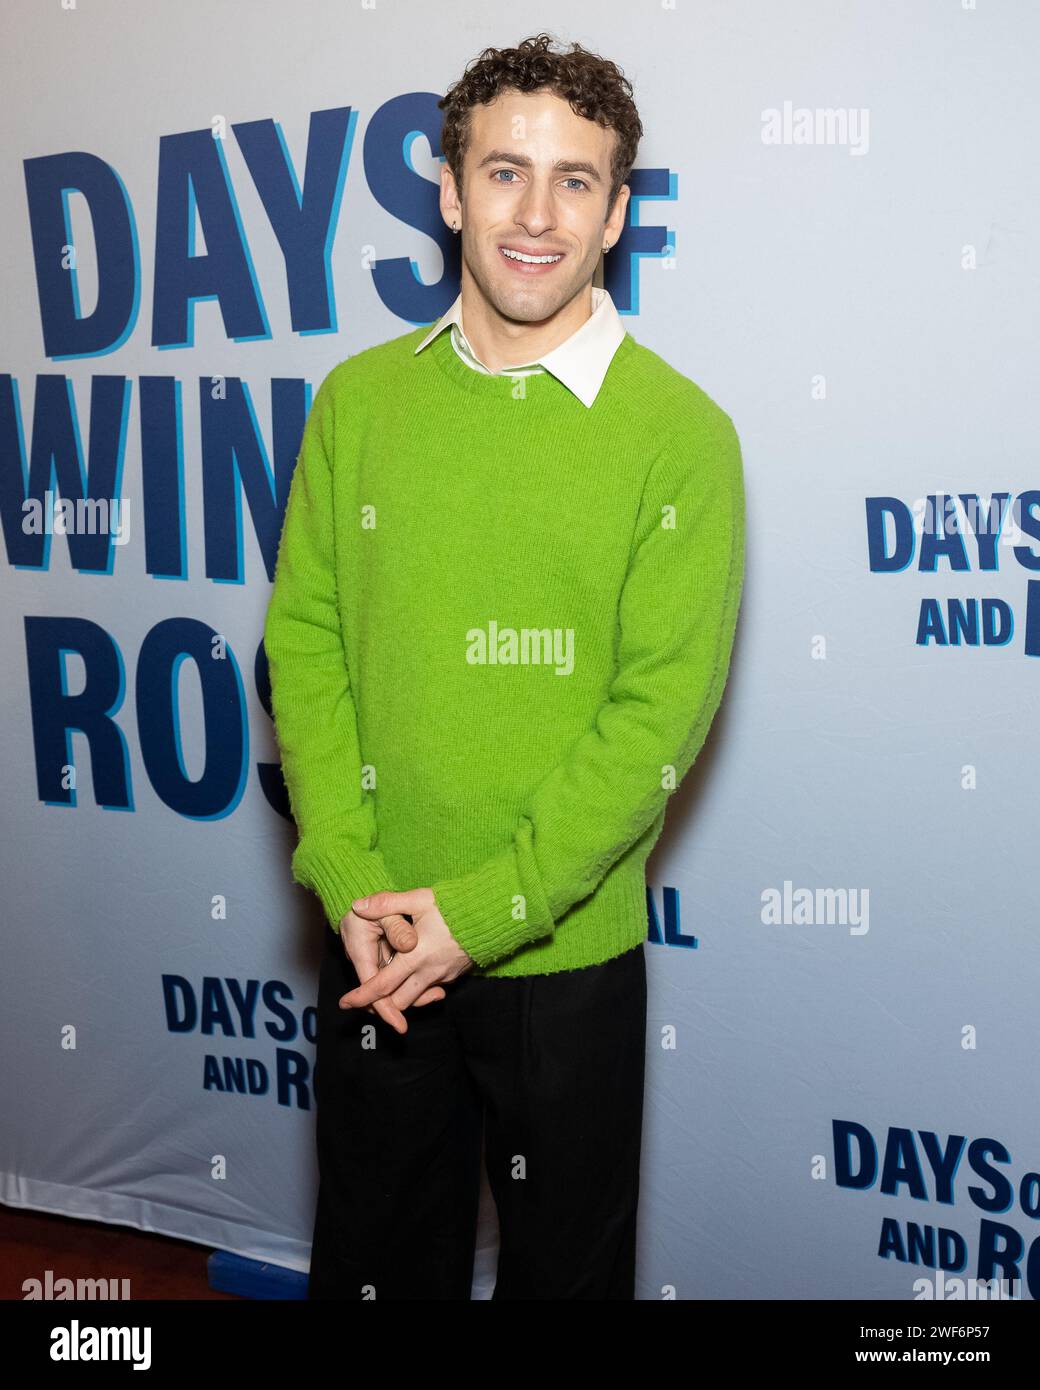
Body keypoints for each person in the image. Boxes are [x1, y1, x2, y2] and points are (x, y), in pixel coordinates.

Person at [263, 31, 746, 1300]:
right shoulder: (358, 404)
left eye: (574, 181)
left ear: (617, 212)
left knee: (564, 1283)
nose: (535, 215)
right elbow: (304, 642)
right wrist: (357, 882)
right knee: (373, 1265)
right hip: (375, 943)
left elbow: (656, 720)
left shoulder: (679, 439)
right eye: (504, 172)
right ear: (446, 189)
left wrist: (474, 917)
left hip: (562, 966)